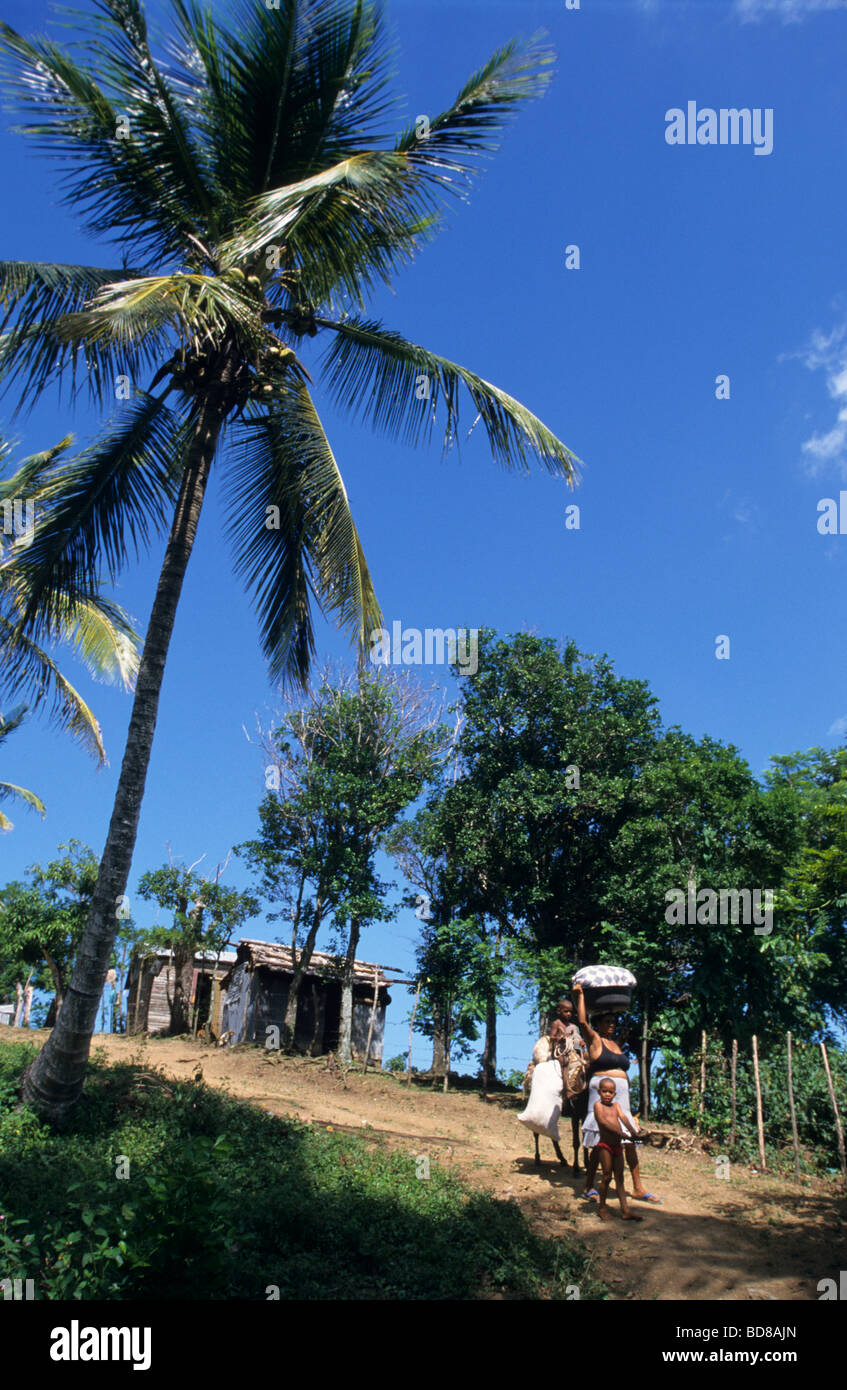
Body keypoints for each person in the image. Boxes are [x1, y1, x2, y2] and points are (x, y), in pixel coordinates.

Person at [572, 982, 660, 1204]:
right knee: (601, 1140)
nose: (612, 1025)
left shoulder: (615, 1044)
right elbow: (582, 1021)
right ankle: (589, 1185)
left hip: (622, 1099)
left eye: (614, 1022)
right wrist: (580, 996)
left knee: (629, 1142)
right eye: (608, 1022)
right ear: (598, 1024)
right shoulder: (594, 1040)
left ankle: (638, 1187)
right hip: (602, 1093)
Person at [593, 1078, 643, 1221]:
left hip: (617, 1147)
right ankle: (602, 1207)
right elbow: (603, 1121)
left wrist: (633, 1131)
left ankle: (625, 1210)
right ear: (599, 1092)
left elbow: (624, 1118)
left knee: (620, 1178)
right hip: (605, 1147)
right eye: (604, 1091)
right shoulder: (598, 1106)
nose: (607, 1094)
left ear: (614, 1094)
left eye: (610, 1092)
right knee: (607, 1176)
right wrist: (620, 1133)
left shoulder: (616, 1106)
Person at [550, 997, 588, 1173]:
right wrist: (561, 1038)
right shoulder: (557, 1023)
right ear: (559, 1011)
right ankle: (568, 1093)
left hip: (573, 1053)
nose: (568, 1014)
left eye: (570, 1011)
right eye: (565, 1011)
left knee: (584, 1065)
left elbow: (577, 1039)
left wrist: (579, 1042)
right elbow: (552, 1039)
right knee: (566, 1067)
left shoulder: (573, 1026)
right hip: (561, 1054)